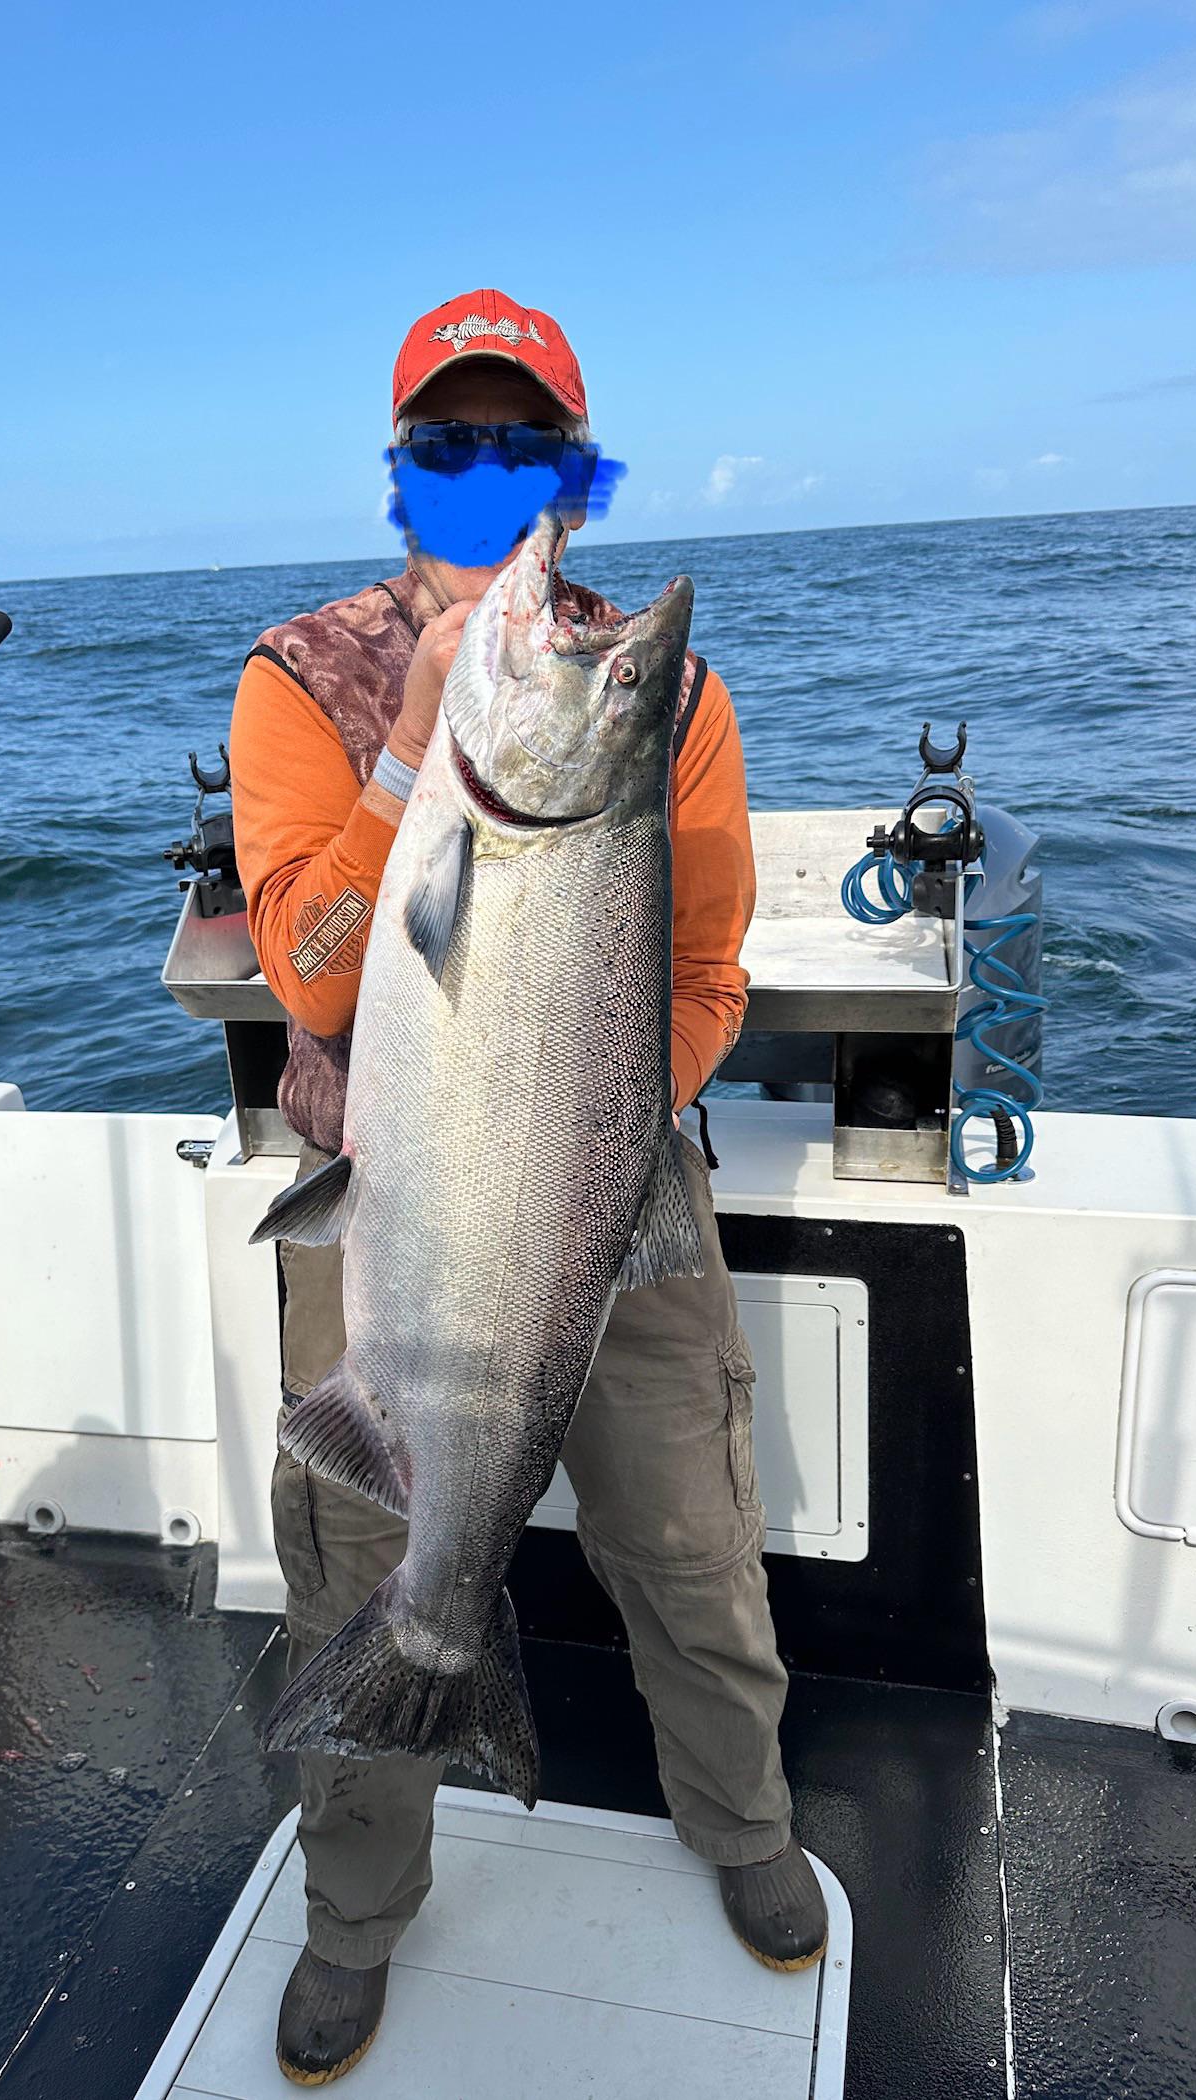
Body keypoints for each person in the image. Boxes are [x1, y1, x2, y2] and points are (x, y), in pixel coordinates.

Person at [229, 289, 826, 2086]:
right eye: (447, 443)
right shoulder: (299, 682)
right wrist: (414, 738)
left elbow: (708, 975)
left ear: (577, 471)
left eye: (526, 444)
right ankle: (355, 1917)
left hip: (614, 1206)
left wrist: (582, 1148)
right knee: (361, 1574)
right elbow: (315, 971)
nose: (487, 475)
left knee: (695, 1549)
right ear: (402, 472)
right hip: (386, 1214)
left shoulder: (665, 695)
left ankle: (741, 1827)